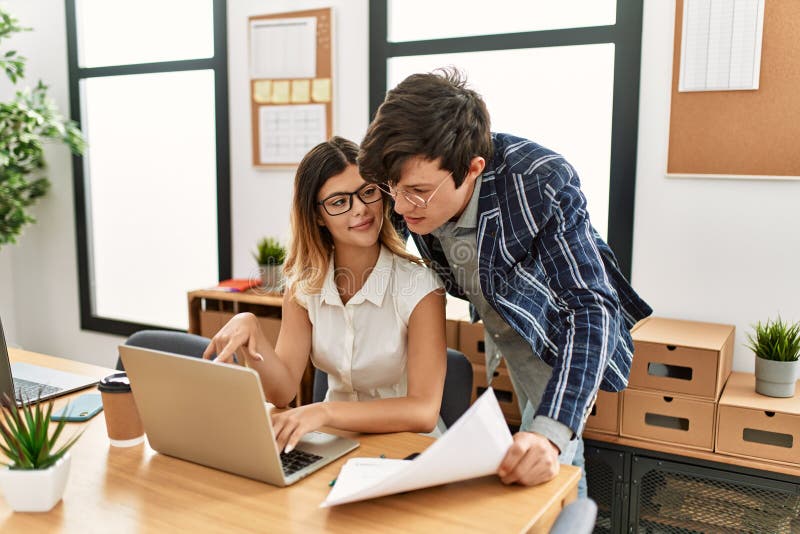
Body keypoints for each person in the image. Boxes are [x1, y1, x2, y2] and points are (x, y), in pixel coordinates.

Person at [358, 68, 652, 492]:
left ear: (473, 168)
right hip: (497, 321)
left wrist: (550, 436)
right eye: (392, 189)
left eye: (418, 192)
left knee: (551, 461)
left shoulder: (540, 181)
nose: (401, 207)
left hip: (551, 334)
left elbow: (591, 307)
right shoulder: (407, 183)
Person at [203, 137, 447, 454]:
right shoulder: (304, 287)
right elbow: (283, 391)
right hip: (335, 444)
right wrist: (251, 333)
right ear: (318, 216)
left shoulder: (420, 286)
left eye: (368, 192)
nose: (360, 208)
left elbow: (423, 411)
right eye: (338, 202)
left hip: (409, 449)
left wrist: (325, 411)